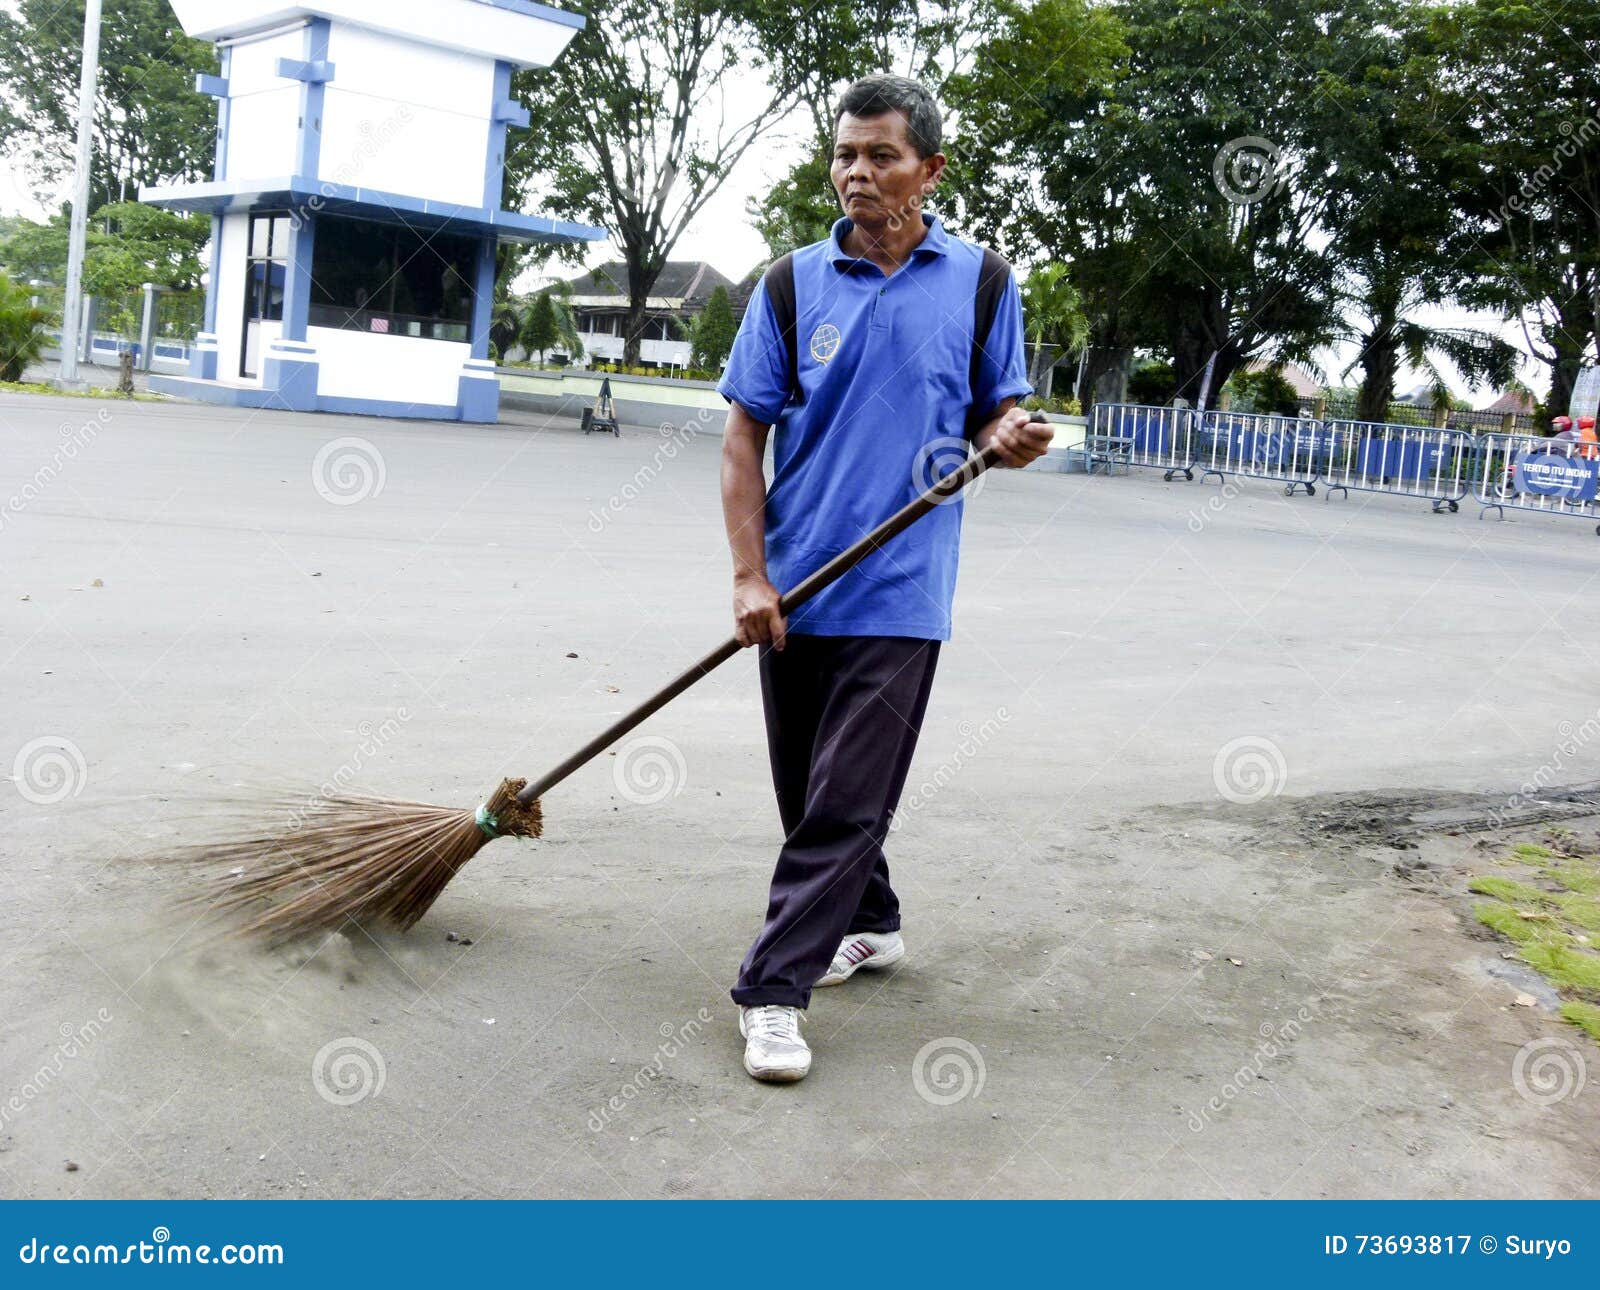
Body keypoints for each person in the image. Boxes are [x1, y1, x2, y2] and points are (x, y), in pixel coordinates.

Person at [715, 73, 1052, 1083]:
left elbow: (995, 413)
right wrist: (749, 576)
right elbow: (742, 439)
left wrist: (1008, 435)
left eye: (881, 156)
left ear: (929, 170)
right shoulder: (789, 285)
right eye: (844, 154)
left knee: (846, 804)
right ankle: (873, 920)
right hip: (796, 587)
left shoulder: (984, 282)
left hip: (902, 592)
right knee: (807, 794)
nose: (856, 172)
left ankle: (772, 993)